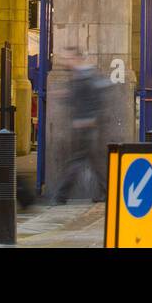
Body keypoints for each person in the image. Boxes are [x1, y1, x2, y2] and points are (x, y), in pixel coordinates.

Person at [55, 46, 108, 204]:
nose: (66, 62)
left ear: (76, 58)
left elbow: (95, 98)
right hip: (83, 125)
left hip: (87, 126)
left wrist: (89, 117)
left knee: (78, 161)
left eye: (68, 58)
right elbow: (78, 99)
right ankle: (106, 192)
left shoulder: (86, 75)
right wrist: (66, 96)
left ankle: (61, 196)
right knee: (93, 162)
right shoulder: (78, 76)